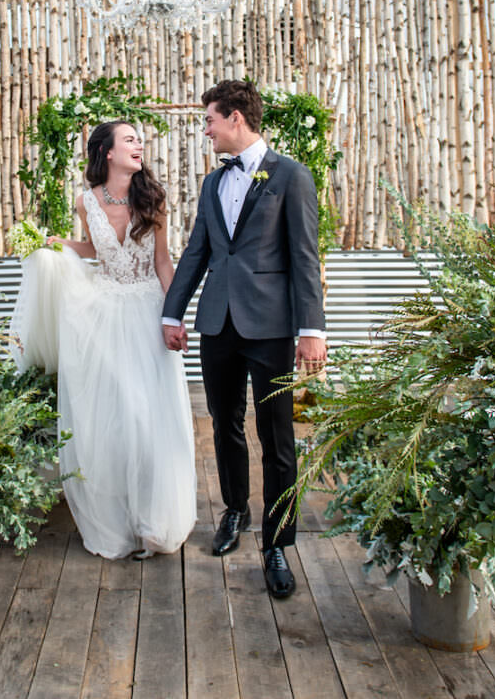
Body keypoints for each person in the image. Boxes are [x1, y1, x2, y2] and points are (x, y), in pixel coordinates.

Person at [161, 79, 327, 599]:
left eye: (210, 119)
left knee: (277, 437)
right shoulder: (213, 185)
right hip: (218, 326)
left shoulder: (292, 177)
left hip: (272, 328)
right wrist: (173, 314)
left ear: (235, 118)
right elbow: (196, 254)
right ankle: (234, 511)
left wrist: (311, 330)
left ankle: (277, 543)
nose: (205, 129)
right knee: (224, 426)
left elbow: (304, 257)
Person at [10, 121, 196, 560]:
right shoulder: (85, 201)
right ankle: (120, 519)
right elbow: (96, 250)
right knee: (116, 419)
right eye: (129, 139)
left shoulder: (153, 199)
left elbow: (164, 262)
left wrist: (175, 316)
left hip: (148, 313)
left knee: (152, 420)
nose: (139, 145)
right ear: (107, 152)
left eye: (139, 140)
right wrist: (60, 246)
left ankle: (155, 523)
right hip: (106, 314)